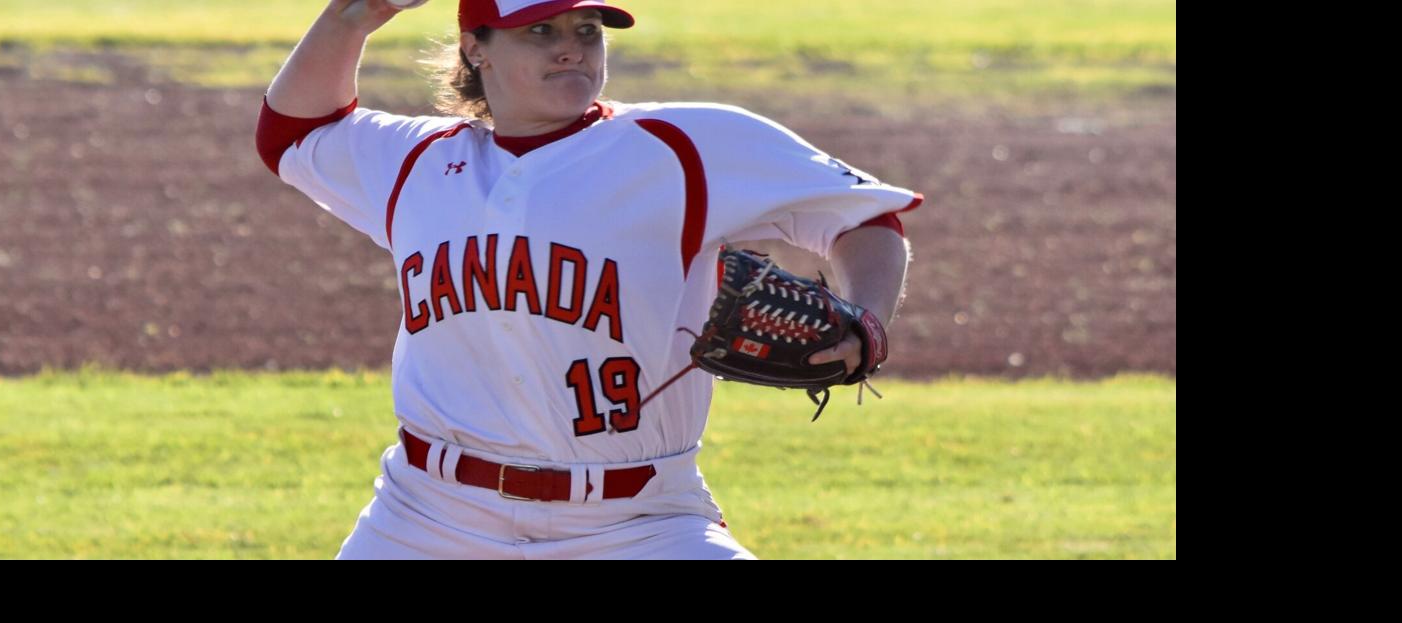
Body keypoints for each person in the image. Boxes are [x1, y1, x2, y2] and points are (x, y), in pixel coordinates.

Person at [256, 0, 919, 559]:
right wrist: (351, 18)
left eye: (586, 31)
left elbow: (865, 217)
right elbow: (290, 133)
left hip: (639, 523)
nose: (571, 49)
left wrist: (867, 318)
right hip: (429, 516)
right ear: (475, 48)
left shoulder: (682, 145)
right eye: (539, 31)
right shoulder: (415, 162)